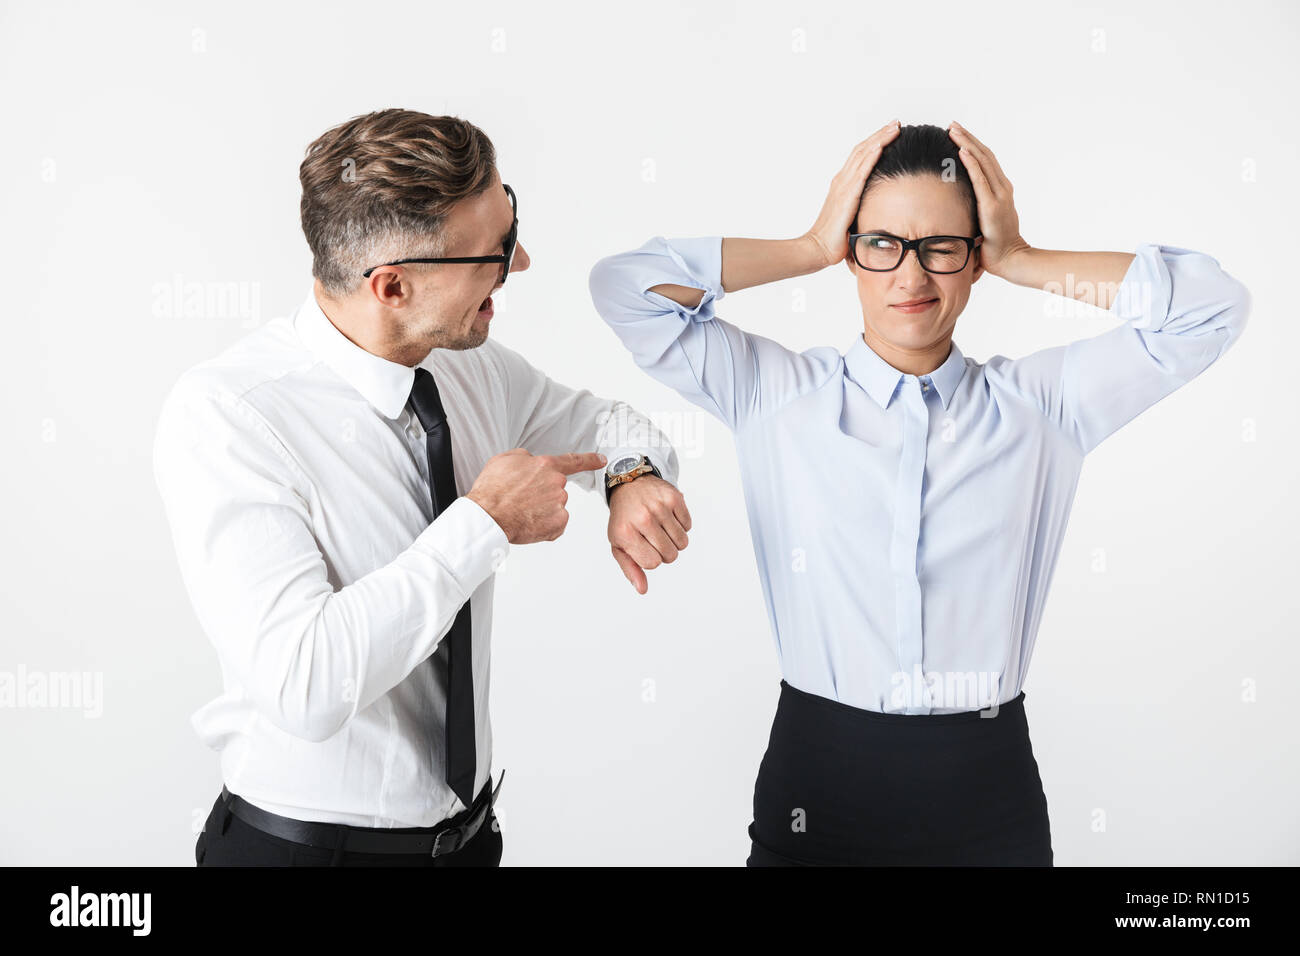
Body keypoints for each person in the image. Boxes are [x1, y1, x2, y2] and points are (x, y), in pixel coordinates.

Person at [588, 120, 1250, 866]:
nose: (912, 278)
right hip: (817, 785)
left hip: (987, 798)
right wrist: (807, 246)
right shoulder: (773, 395)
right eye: (883, 245)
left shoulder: (1042, 406)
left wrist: (1026, 259)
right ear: (853, 253)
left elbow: (1212, 307)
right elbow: (623, 288)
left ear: (974, 262)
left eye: (941, 248)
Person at [154, 109, 691, 866]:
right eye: (494, 254)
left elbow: (603, 423)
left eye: (512, 226)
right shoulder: (231, 417)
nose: (523, 262)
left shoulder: (466, 366)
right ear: (393, 285)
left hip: (469, 845)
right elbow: (304, 686)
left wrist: (630, 477)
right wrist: (483, 522)